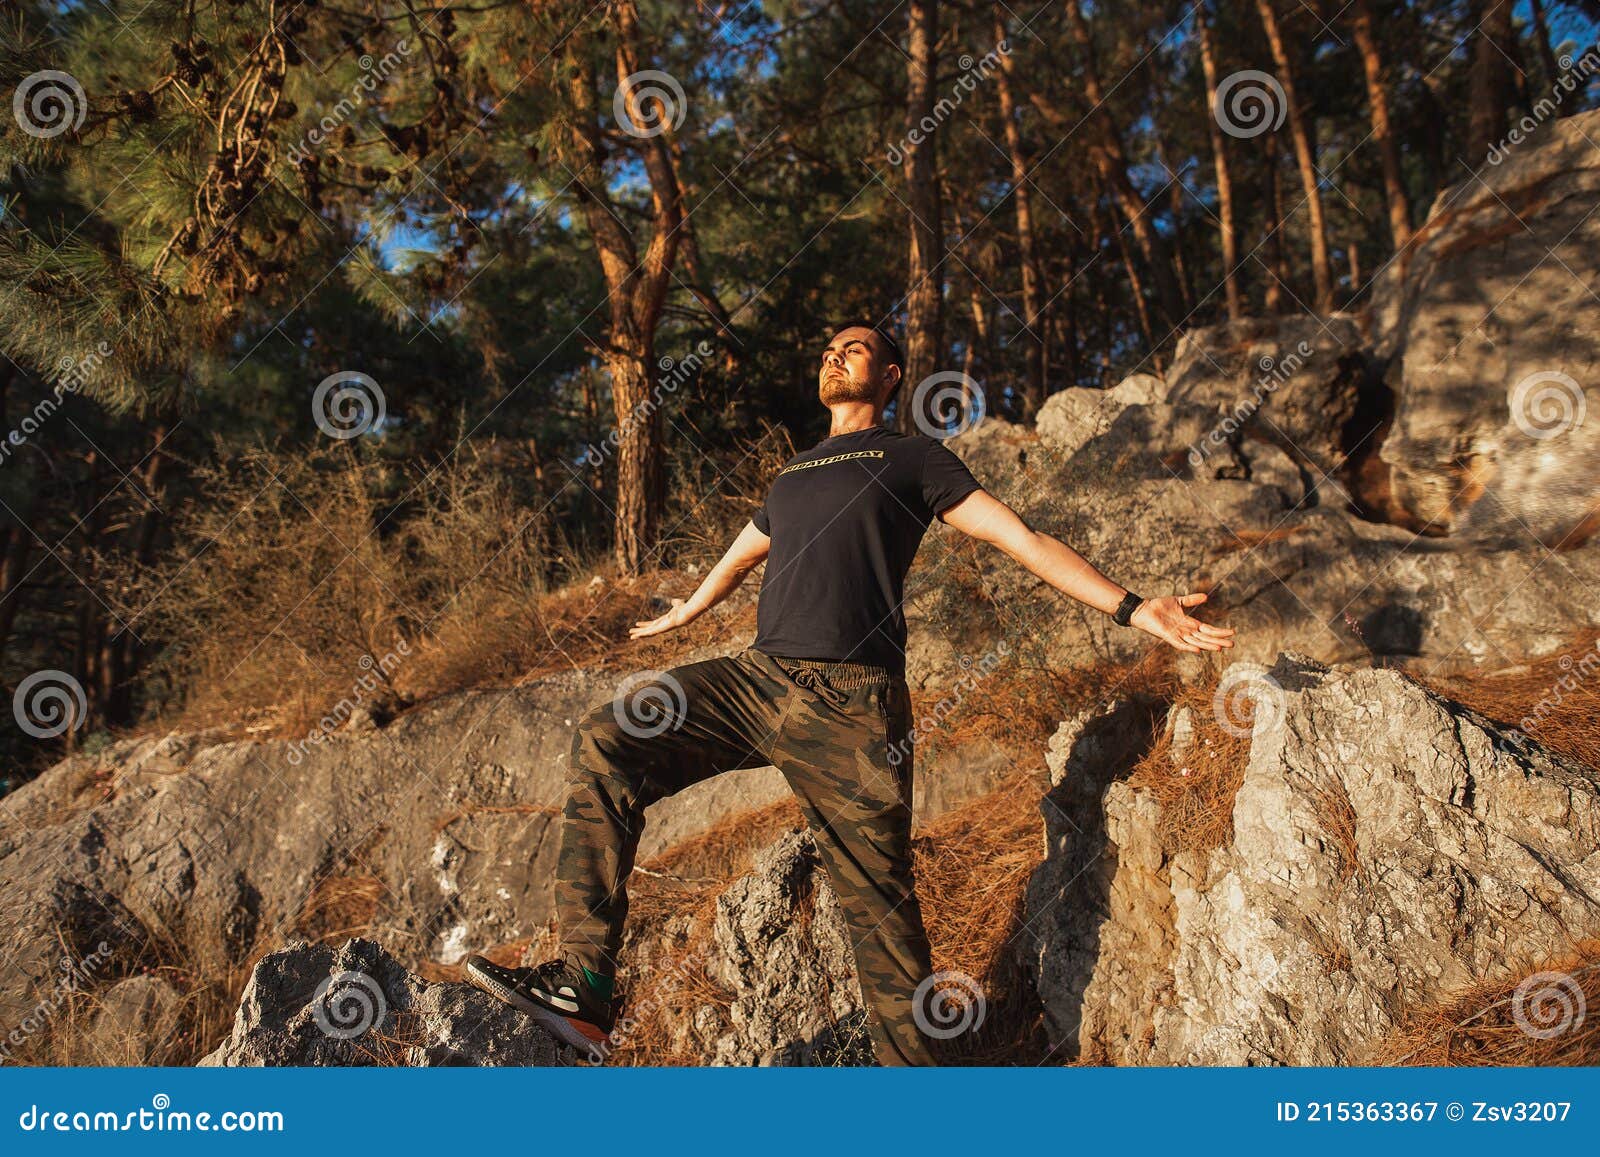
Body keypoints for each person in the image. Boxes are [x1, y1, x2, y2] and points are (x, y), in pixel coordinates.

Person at [465, 320, 1235, 1064]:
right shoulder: (793, 472)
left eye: (855, 350)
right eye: (829, 351)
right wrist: (687, 610)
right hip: (757, 678)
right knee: (611, 733)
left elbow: (1020, 537)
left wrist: (1134, 607)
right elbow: (739, 556)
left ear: (891, 375)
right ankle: (585, 983)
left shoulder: (912, 458)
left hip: (852, 706)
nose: (836, 358)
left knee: (880, 910)